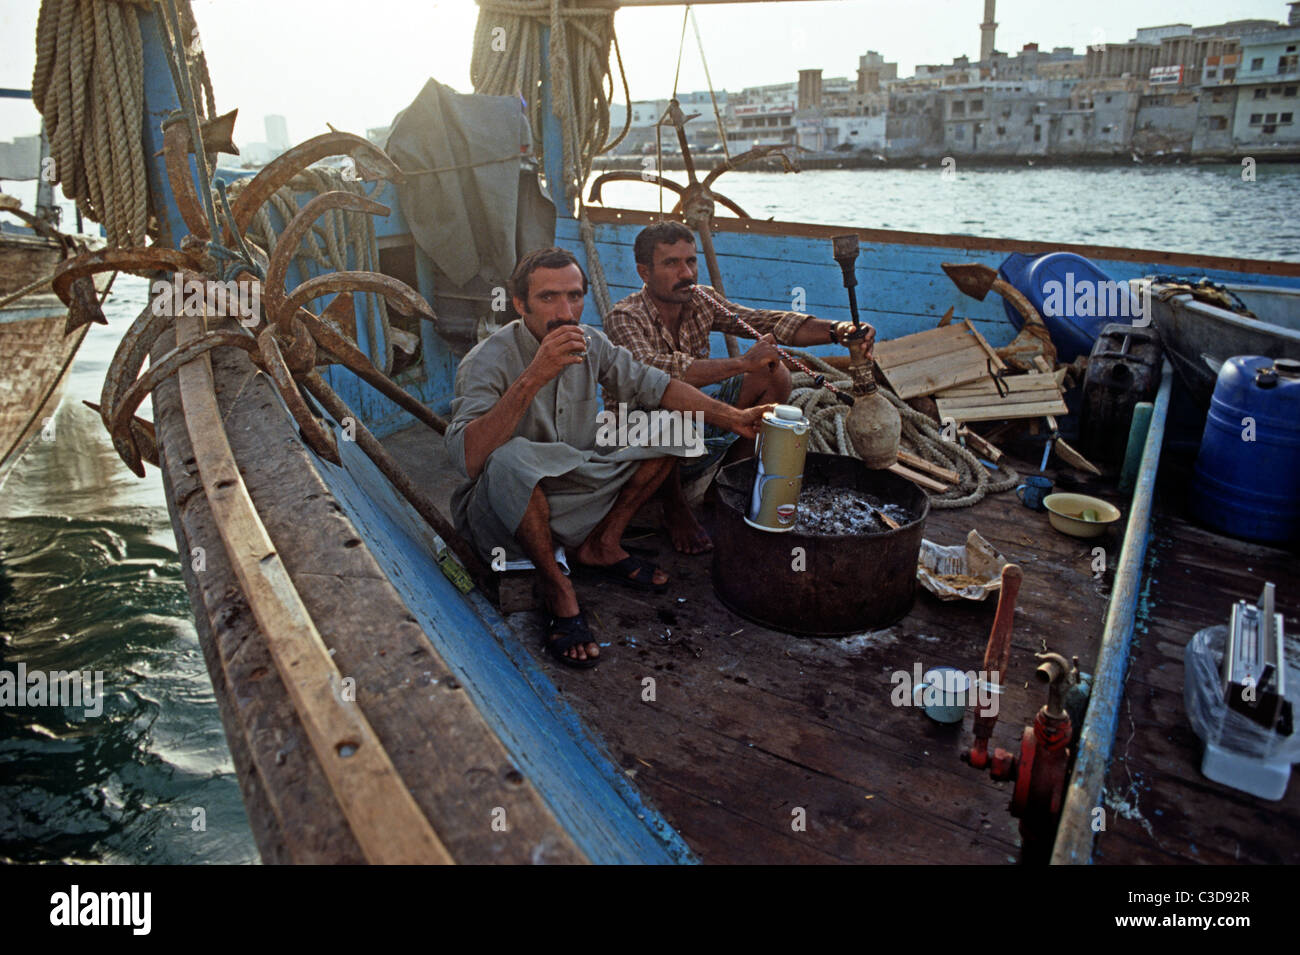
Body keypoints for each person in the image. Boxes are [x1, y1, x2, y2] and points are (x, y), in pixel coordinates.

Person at [445, 247, 770, 669]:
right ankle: (558, 586)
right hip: (508, 511)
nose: (566, 312)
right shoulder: (486, 361)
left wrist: (735, 417)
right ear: (520, 304)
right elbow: (470, 462)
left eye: (575, 296)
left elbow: (658, 385)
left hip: (577, 489)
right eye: (549, 298)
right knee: (510, 459)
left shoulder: (591, 342)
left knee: (673, 426)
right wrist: (533, 376)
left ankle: (603, 543)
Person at [603, 221, 871, 554]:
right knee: (668, 408)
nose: (686, 273)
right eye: (672, 263)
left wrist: (837, 330)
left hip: (690, 419)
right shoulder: (623, 317)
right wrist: (742, 364)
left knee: (776, 375)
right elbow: (653, 375)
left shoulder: (700, 298)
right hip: (633, 432)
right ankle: (675, 508)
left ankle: (723, 485)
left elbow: (764, 321)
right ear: (644, 272)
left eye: (691, 261)